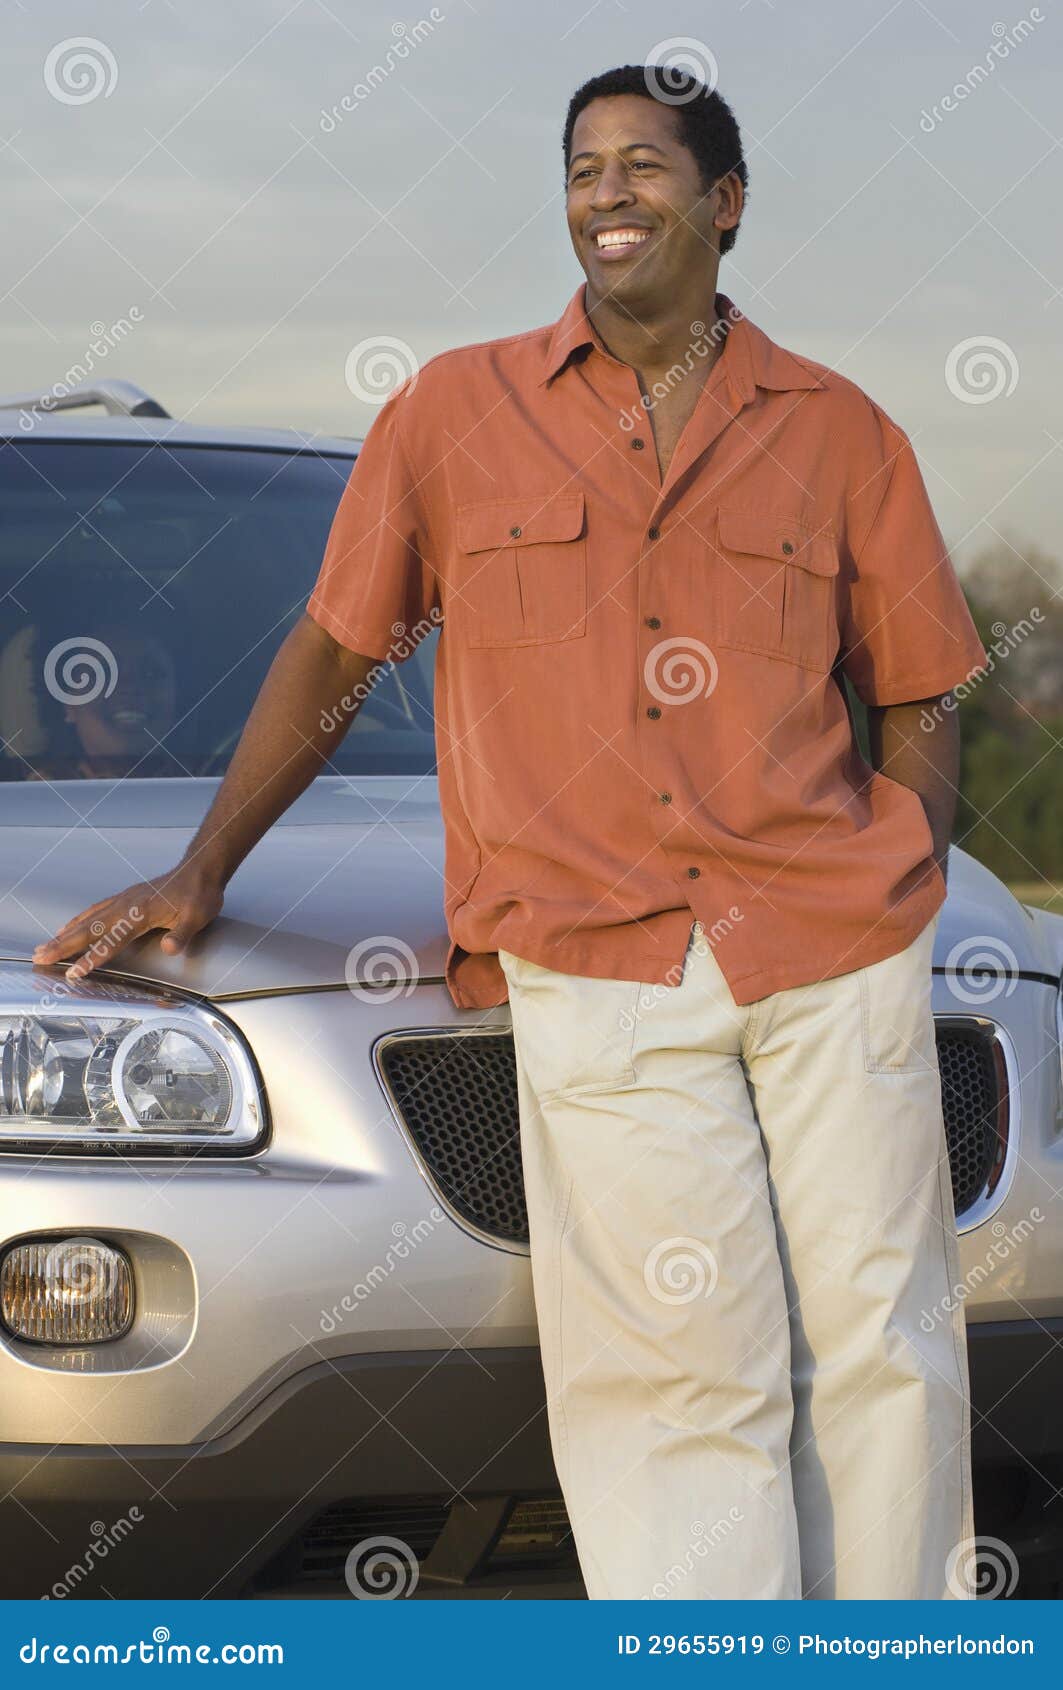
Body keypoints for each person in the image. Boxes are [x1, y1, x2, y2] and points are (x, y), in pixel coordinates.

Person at [33, 64, 989, 1600]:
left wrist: (908, 873)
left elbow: (923, 686)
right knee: (678, 1375)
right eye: (583, 167)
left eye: (643, 164)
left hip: (831, 947)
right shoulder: (452, 416)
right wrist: (203, 868)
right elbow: (336, 652)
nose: (608, 191)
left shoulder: (844, 432)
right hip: (595, 964)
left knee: (885, 1341)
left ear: (727, 202)